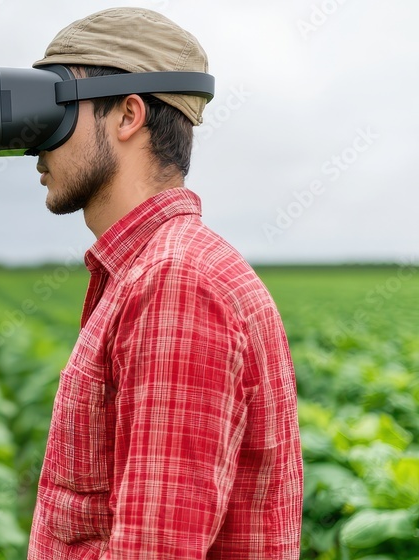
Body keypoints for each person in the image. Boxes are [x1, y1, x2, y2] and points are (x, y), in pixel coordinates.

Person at [24, 9, 303, 558]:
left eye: (57, 108)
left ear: (127, 115)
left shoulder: (176, 283)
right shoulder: (152, 270)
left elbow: (156, 549)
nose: (35, 145)